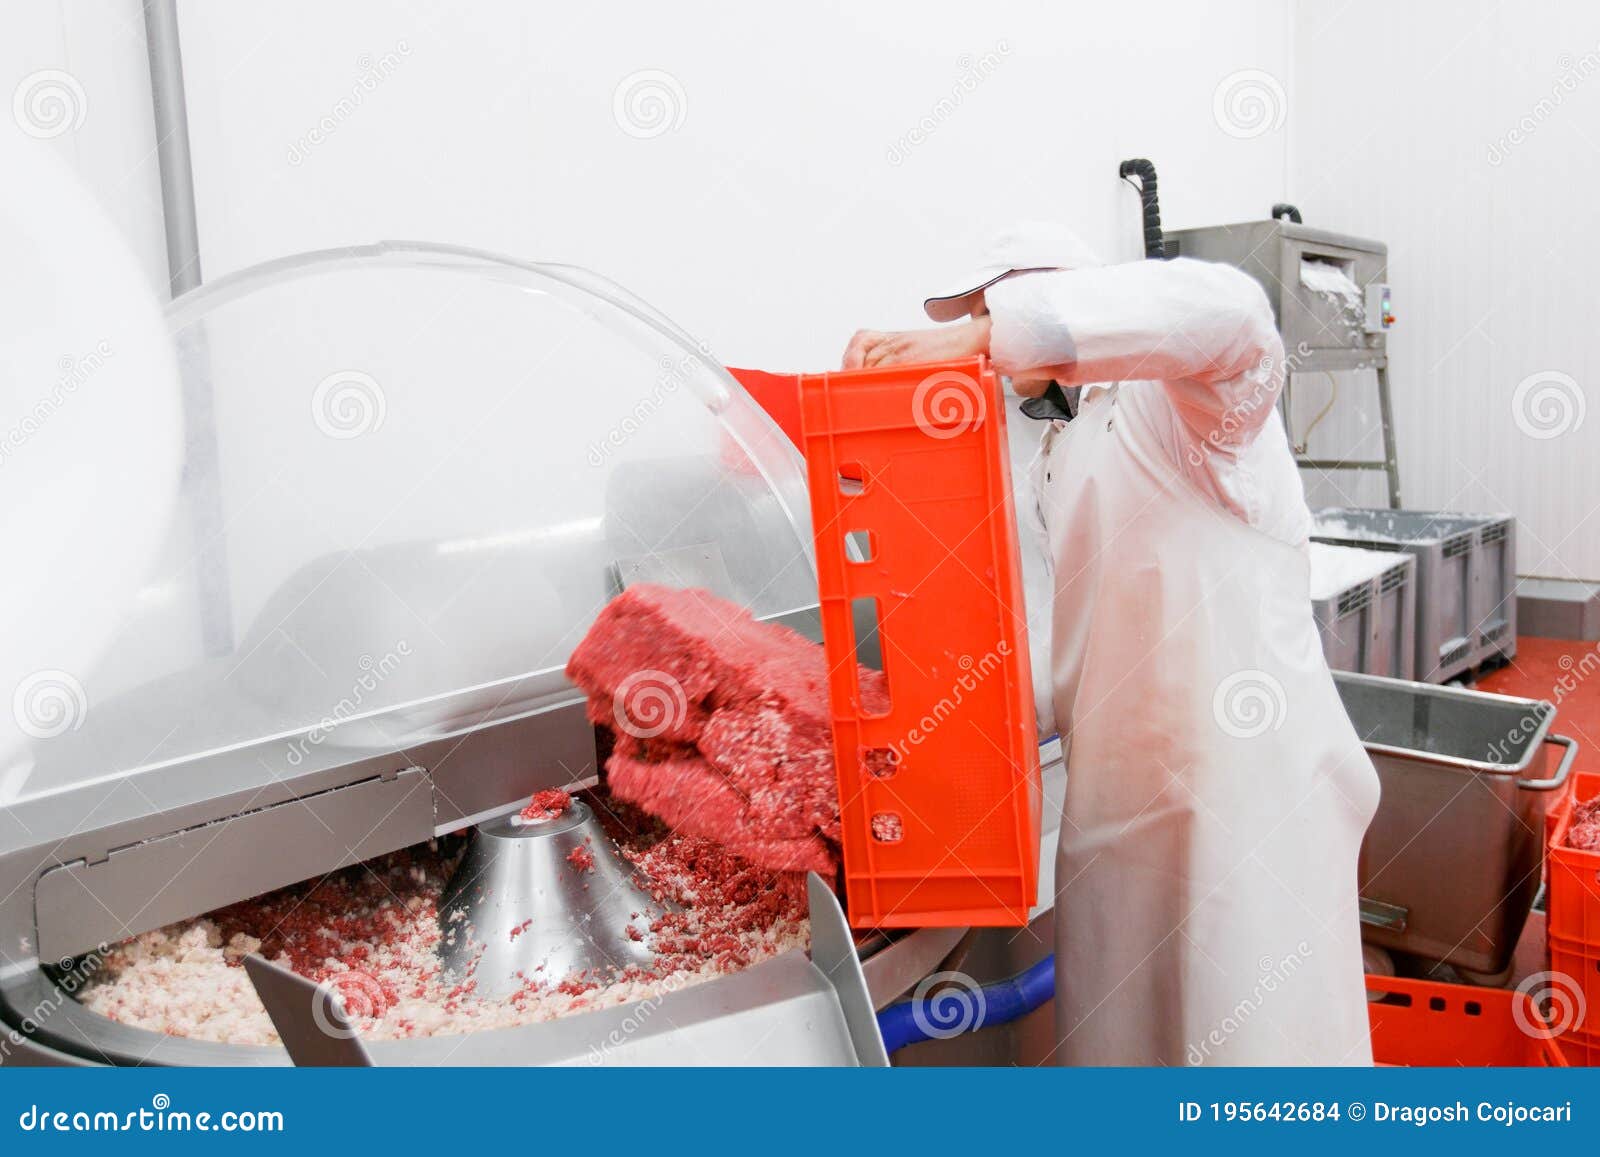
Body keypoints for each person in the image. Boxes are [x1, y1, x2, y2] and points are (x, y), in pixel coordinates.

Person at [843, 222, 1380, 1066]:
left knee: (1255, 1052)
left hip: (1246, 807)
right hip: (1119, 812)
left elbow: (1235, 313)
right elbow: (1069, 647)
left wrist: (981, 336)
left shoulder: (1195, 414)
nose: (992, 346)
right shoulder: (1060, 456)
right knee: (1124, 1052)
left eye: (997, 311)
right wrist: (906, 722)